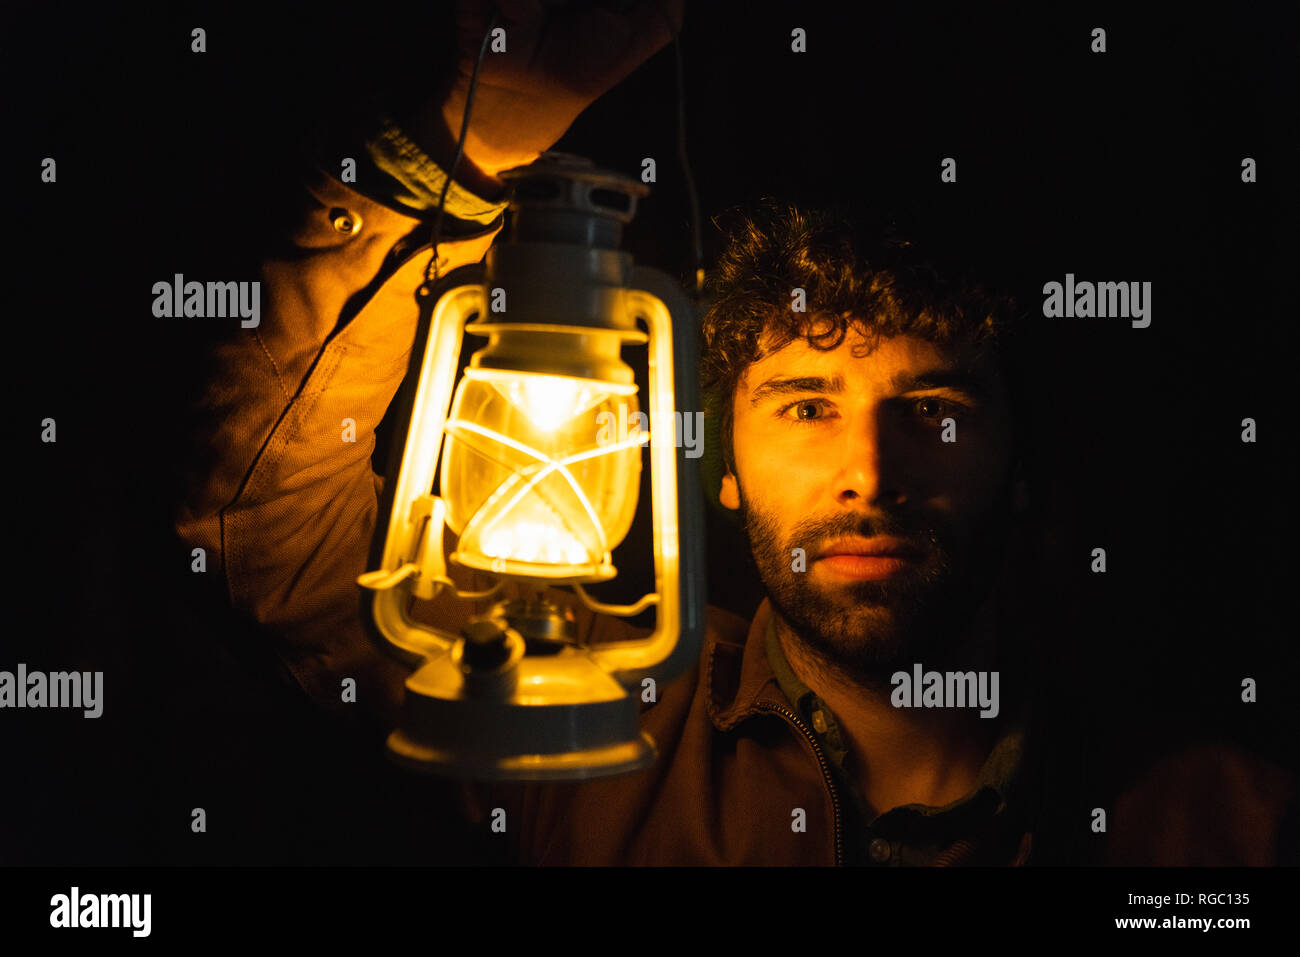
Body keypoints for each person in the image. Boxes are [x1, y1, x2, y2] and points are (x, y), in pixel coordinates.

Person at [173, 0, 1296, 865]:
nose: (869, 473)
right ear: (715, 468)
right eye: (805, 406)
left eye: (932, 415)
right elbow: (265, 523)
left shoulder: (1220, 822)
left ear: (1019, 469)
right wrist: (451, 163)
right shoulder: (569, 739)